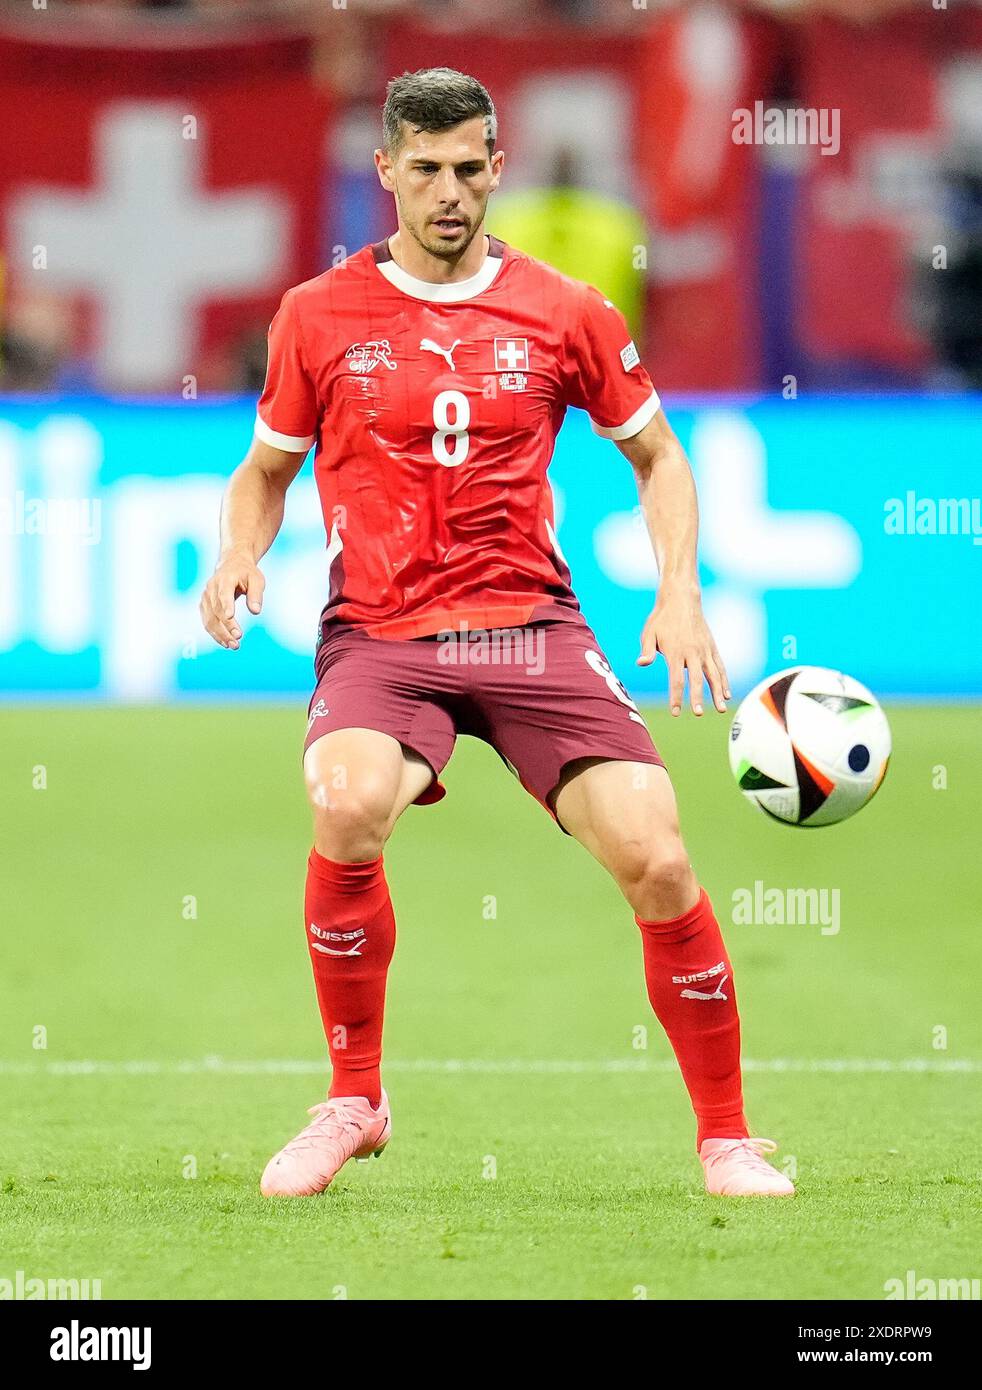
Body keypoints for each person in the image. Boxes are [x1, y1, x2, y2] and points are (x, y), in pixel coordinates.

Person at [199, 67, 794, 1201]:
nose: (449, 192)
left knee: (657, 853)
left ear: (496, 168)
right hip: (382, 633)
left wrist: (679, 590)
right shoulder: (315, 315)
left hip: (531, 629)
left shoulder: (566, 310)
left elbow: (659, 455)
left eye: (469, 168)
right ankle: (354, 1099)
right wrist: (241, 551)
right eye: (424, 170)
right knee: (345, 797)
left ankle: (727, 1137)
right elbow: (266, 469)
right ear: (384, 172)